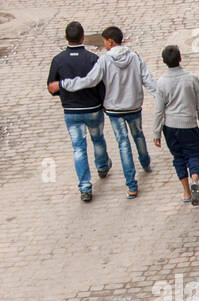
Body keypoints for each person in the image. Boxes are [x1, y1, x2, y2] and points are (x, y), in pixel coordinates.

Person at [51, 26, 157, 198]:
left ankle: (131, 185)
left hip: (115, 110)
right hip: (134, 106)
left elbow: (89, 81)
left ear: (110, 41)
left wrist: (64, 84)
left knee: (123, 144)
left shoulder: (104, 61)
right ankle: (145, 162)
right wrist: (163, 98)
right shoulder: (135, 57)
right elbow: (148, 81)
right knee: (138, 135)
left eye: (104, 42)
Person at [46, 21, 110, 202]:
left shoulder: (58, 60)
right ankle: (103, 166)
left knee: (78, 148)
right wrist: (103, 103)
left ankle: (85, 187)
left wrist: (63, 92)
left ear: (66, 38)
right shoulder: (92, 59)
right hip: (93, 109)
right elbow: (100, 84)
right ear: (83, 37)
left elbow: (51, 87)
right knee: (98, 139)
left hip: (71, 111)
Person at [151, 45, 199, 205]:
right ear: (180, 58)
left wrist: (156, 133)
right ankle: (195, 180)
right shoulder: (191, 79)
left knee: (179, 157)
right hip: (189, 124)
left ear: (164, 62)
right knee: (194, 155)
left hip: (171, 127)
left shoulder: (161, 82)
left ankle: (186, 191)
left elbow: (158, 111)